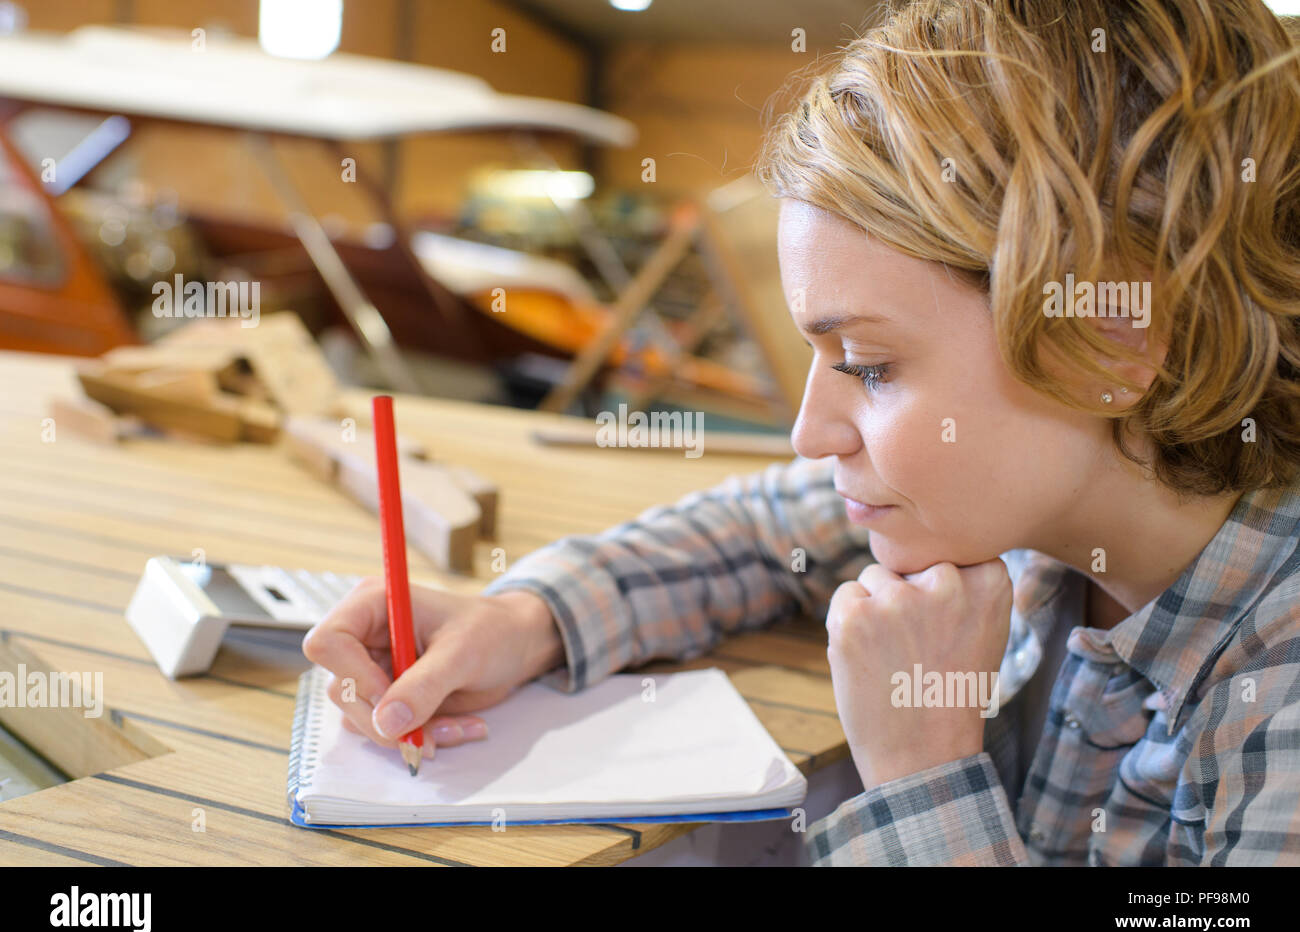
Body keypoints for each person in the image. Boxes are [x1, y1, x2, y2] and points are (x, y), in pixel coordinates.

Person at [303, 0, 1300, 865]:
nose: (810, 429)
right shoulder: (1050, 510)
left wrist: (920, 771)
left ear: (1107, 342)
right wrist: (527, 619)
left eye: (868, 365)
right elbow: (765, 523)